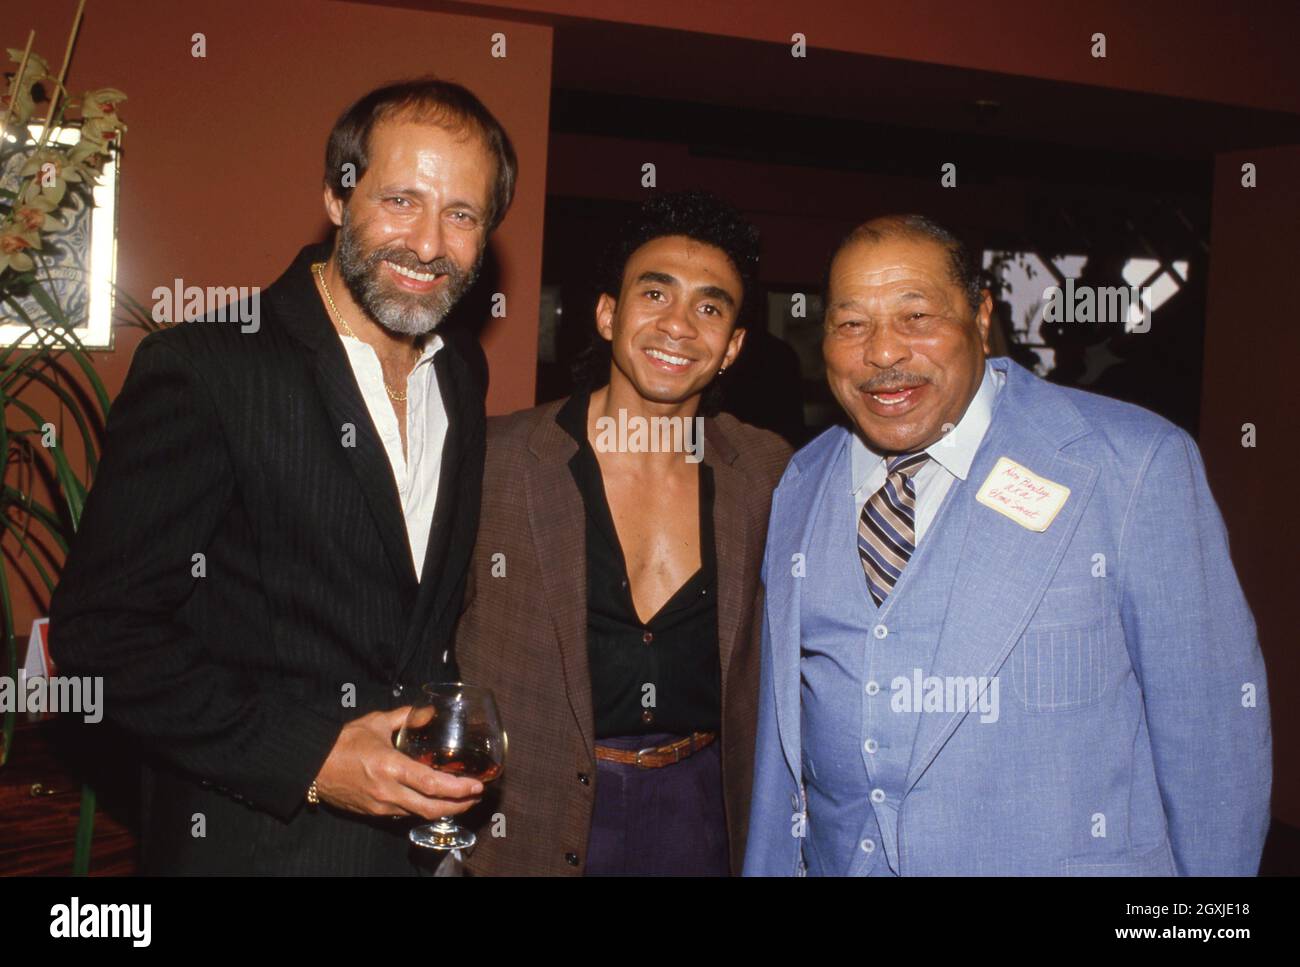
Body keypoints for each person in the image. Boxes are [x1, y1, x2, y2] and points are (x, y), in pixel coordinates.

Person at [48, 78, 517, 874]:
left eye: (462, 214)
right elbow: (100, 637)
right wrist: (313, 758)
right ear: (337, 198)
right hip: (253, 847)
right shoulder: (208, 368)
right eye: (401, 200)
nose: (430, 243)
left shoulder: (460, 372)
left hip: (413, 854)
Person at [744, 214, 1271, 876]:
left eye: (916, 317)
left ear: (980, 314)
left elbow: (1213, 737)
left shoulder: (1132, 465)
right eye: (852, 324)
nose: (882, 353)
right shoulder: (803, 478)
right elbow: (780, 747)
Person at [454, 191, 792, 875]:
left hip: (702, 815)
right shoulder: (498, 459)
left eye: (709, 307)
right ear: (608, 314)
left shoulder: (767, 471)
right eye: (656, 294)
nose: (679, 326)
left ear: (733, 346)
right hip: (528, 818)